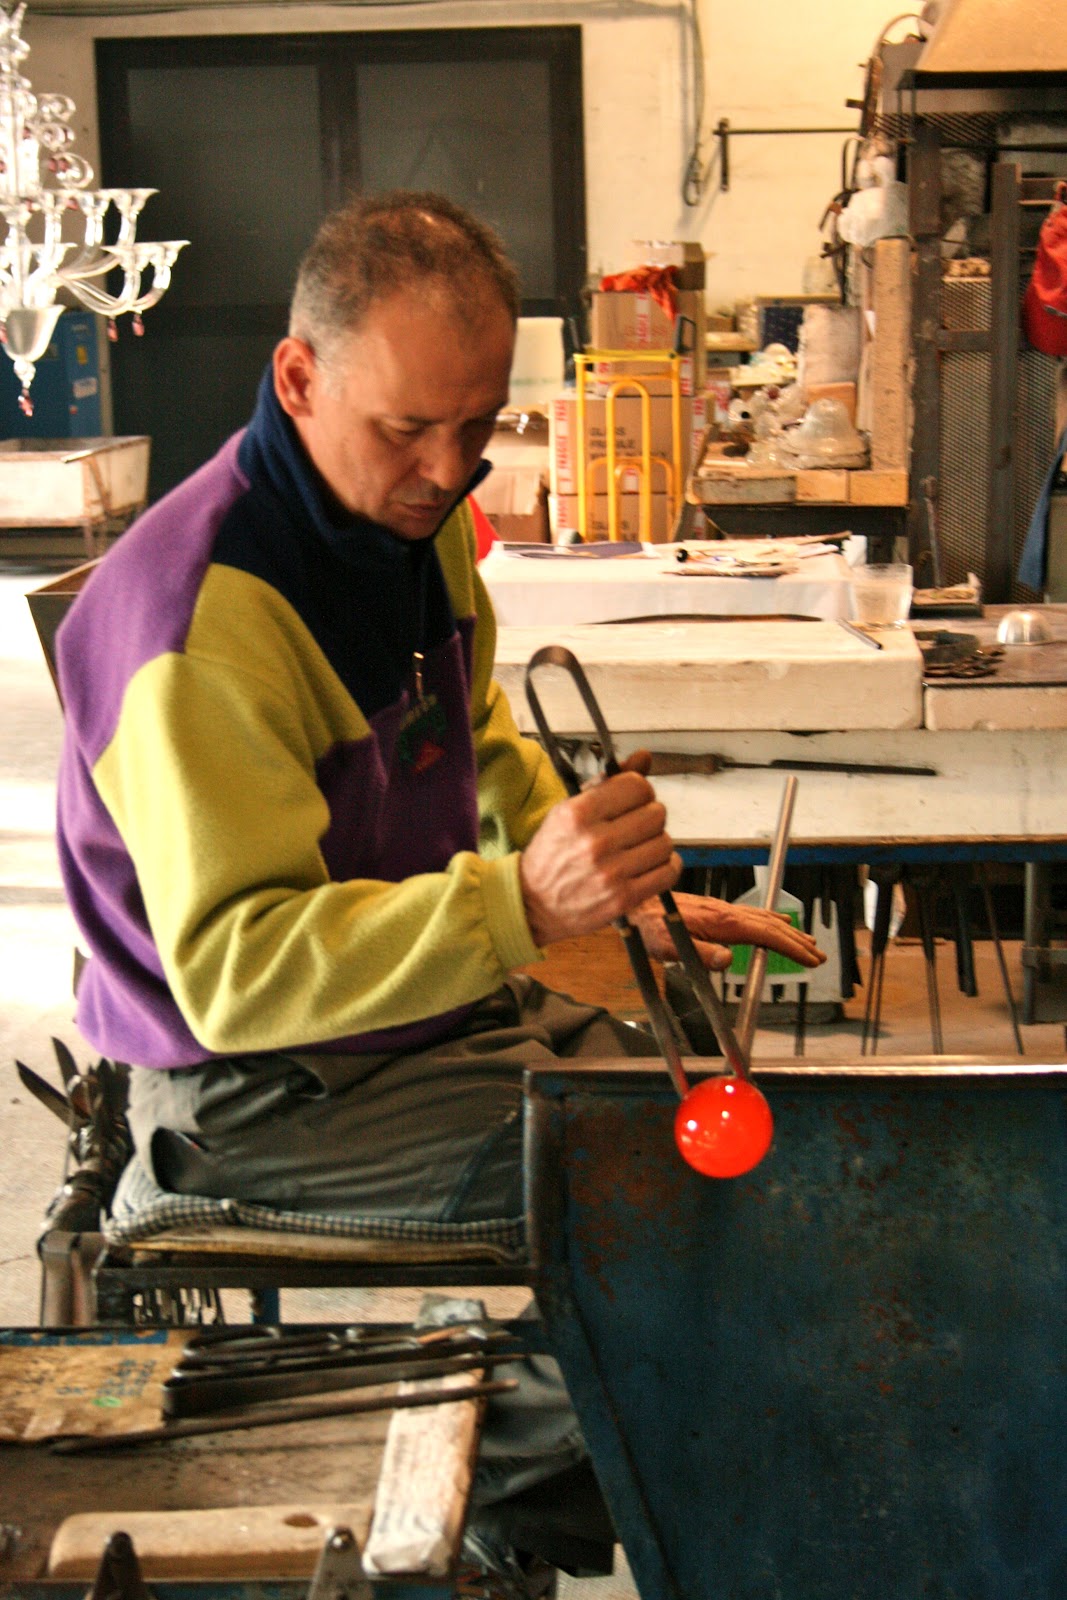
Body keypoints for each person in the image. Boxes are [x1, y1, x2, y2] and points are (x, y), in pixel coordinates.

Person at [54, 191, 823, 1588]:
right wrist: (520, 908)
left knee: (758, 1156)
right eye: (405, 427)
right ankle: (463, 1498)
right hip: (255, 1094)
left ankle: (545, 1483)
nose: (447, 466)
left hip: (408, 1023)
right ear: (298, 377)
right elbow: (239, 971)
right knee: (655, 1216)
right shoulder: (202, 625)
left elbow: (472, 746)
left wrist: (605, 900)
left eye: (476, 426)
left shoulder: (421, 534)